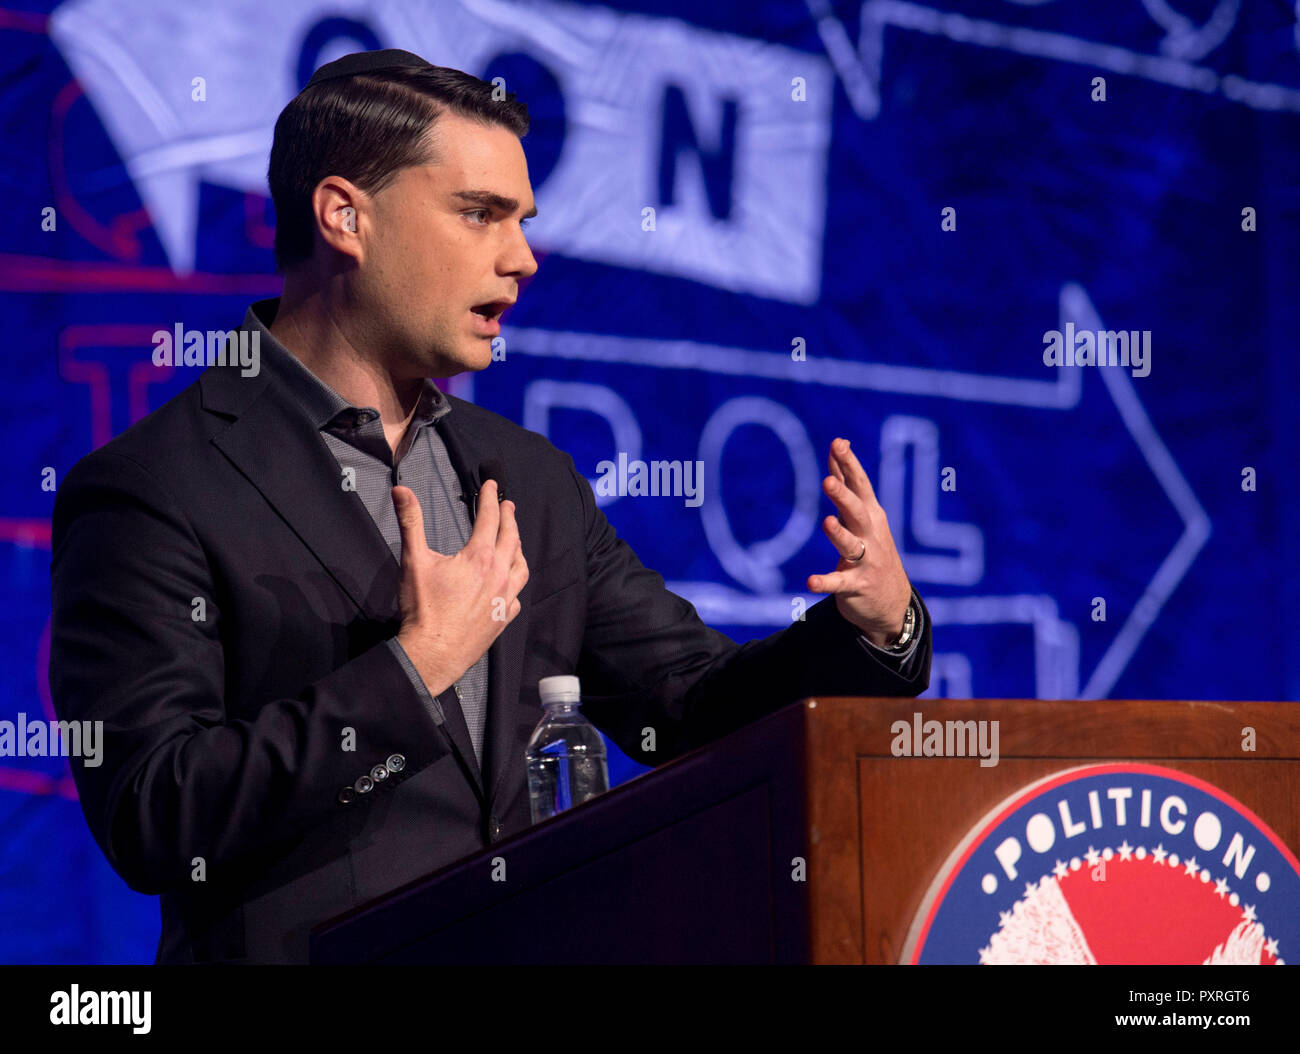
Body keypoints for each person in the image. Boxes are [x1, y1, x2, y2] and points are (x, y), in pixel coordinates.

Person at [48, 49, 932, 963]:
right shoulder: (155, 485)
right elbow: (155, 813)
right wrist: (412, 669)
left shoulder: (526, 476)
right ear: (345, 216)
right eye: (480, 214)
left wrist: (870, 633)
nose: (524, 258)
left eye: (523, 221)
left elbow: (690, 709)